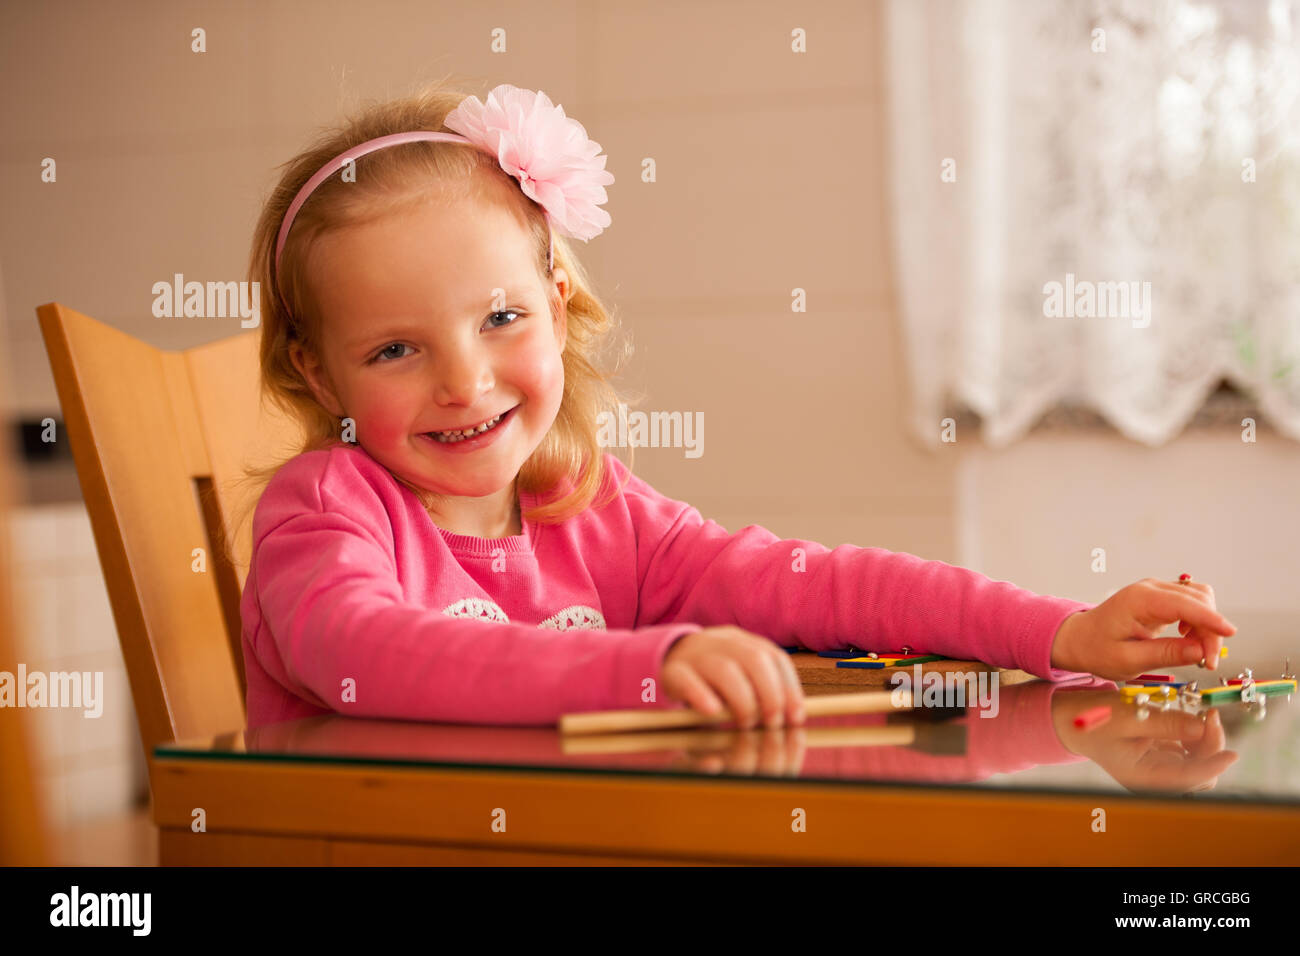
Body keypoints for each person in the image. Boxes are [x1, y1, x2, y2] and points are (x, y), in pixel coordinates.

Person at [237, 80, 1235, 731]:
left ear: (558, 302)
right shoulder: (324, 508)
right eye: (396, 348)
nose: (463, 379)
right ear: (321, 378)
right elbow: (366, 653)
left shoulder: (594, 508)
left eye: (499, 316)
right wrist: (645, 665)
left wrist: (1059, 632)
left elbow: (824, 587)